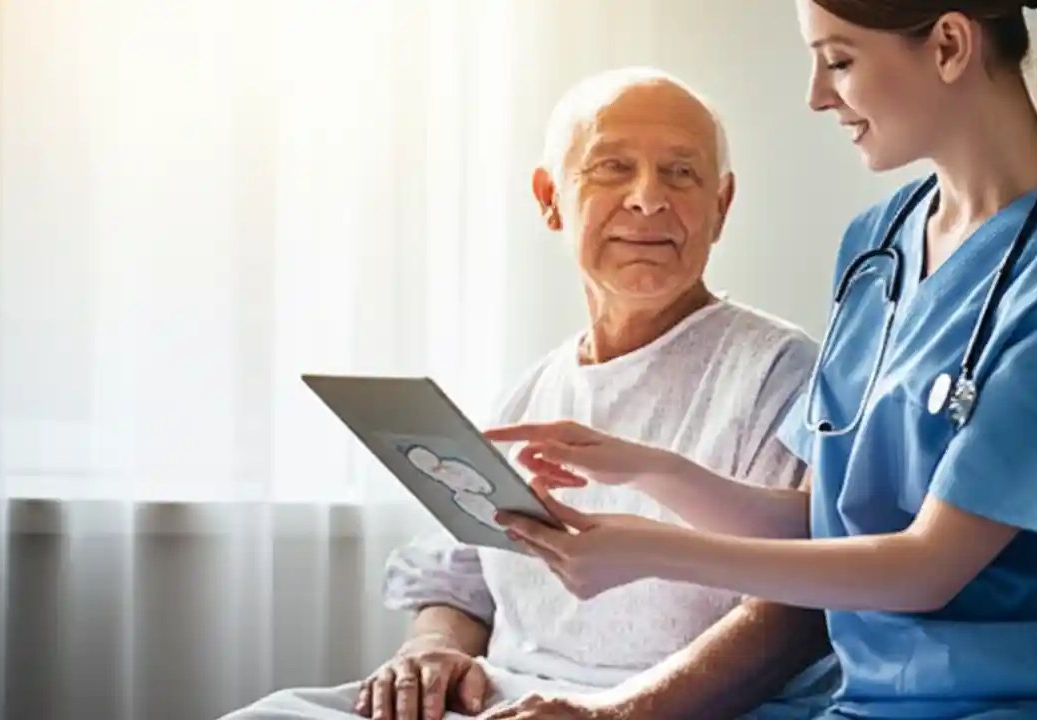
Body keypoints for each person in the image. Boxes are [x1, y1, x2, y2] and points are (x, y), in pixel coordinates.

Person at [487, 2, 1037, 718]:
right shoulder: (880, 243)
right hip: (878, 699)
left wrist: (651, 551)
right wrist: (648, 467)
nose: (816, 94)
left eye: (838, 60)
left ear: (950, 44)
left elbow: (925, 569)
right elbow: (826, 522)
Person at [223, 67, 837, 720]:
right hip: (505, 694)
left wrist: (619, 714)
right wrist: (431, 653)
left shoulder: (779, 370)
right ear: (550, 197)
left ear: (722, 205)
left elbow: (797, 607)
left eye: (682, 173)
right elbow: (460, 579)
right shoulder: (529, 393)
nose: (648, 199)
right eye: (612, 167)